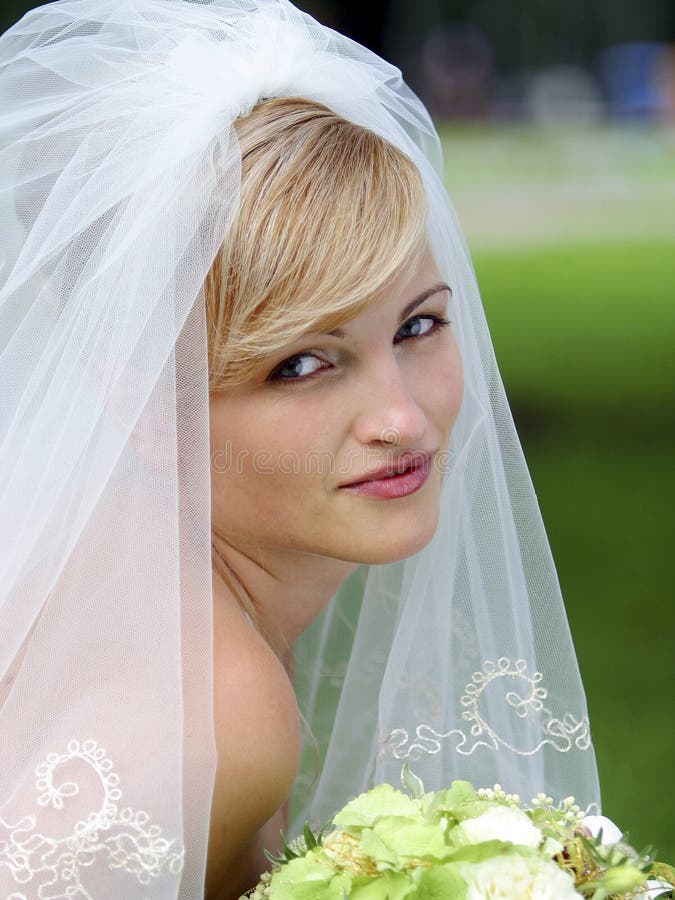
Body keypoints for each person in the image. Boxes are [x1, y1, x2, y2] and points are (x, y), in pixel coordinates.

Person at [0, 2, 600, 898]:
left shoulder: (108, 568)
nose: (399, 417)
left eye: (419, 325)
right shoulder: (212, 716)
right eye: (303, 364)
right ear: (142, 401)